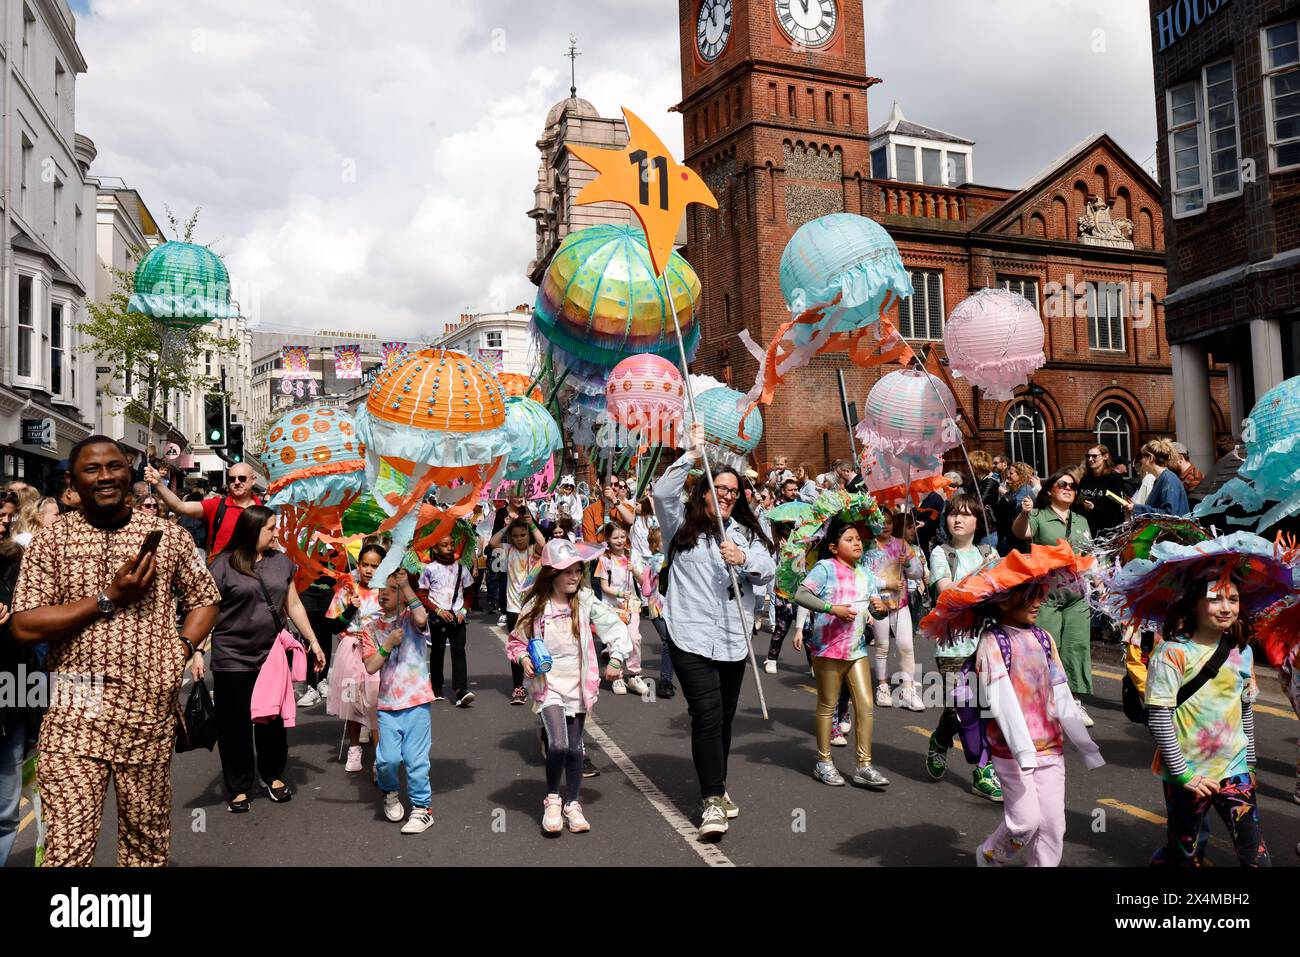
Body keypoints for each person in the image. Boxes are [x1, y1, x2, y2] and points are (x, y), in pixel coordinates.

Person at [9, 436, 220, 866]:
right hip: (74, 714)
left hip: (147, 714)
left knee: (145, 845)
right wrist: (107, 598)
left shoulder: (167, 537)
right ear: (72, 480)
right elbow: (24, 624)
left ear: (129, 474)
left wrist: (179, 649)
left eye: (115, 466)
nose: (105, 476)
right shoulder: (52, 542)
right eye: (93, 469)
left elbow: (205, 598)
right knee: (66, 851)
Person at [653, 422, 774, 840]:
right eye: (718, 488)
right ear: (703, 492)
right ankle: (710, 800)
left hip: (733, 639)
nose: (726, 495)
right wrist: (691, 453)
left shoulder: (746, 534)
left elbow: (768, 570)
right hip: (689, 636)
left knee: (722, 719)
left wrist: (743, 558)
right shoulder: (679, 529)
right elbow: (662, 492)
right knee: (704, 714)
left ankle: (719, 787)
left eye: (733, 491)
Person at [199, 505, 325, 813]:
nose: (276, 532)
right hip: (232, 656)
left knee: (272, 720)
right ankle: (239, 785)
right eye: (270, 528)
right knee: (235, 724)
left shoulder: (281, 563)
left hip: (272, 656)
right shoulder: (223, 565)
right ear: (253, 529)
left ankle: (273, 775)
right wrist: (199, 651)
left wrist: (313, 640)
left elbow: (292, 604)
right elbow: (208, 610)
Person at [974, 575, 1103, 866]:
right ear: (1004, 600)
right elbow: (1001, 699)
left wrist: (1086, 746)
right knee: (1024, 823)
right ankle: (990, 855)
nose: (1038, 601)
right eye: (1029, 595)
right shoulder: (992, 641)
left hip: (1051, 748)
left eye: (1039, 593)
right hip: (1012, 753)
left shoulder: (1044, 638)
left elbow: (1061, 692)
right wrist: (1023, 751)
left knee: (1054, 827)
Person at [507, 538, 629, 834]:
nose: (575, 576)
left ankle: (572, 803)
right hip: (548, 686)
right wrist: (523, 657)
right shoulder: (537, 605)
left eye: (578, 570)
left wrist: (617, 656)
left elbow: (613, 625)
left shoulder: (585, 600)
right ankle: (552, 800)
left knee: (575, 749)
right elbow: (516, 640)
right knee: (558, 744)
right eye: (568, 572)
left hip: (578, 684)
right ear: (552, 574)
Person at [1146, 575, 1267, 866]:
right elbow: (1159, 716)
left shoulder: (1242, 651)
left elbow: (1244, 710)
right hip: (1188, 775)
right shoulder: (1171, 653)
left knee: (1256, 855)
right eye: (1215, 599)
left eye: (1233, 599)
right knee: (1183, 854)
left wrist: (1249, 763)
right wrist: (1183, 775)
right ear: (1194, 605)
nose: (1226, 608)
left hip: (1234, 770)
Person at [792, 517, 890, 788]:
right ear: (834, 547)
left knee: (866, 706)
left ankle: (864, 766)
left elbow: (874, 612)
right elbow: (801, 595)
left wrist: (880, 609)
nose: (857, 542)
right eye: (850, 539)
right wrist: (831, 609)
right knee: (827, 705)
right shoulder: (825, 568)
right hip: (828, 649)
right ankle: (823, 762)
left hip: (856, 650)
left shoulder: (865, 574)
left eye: (858, 539)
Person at [924, 491, 1002, 801]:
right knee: (966, 708)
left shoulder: (989, 552)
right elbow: (949, 593)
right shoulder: (942, 553)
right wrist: (983, 570)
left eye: (967, 514)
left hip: (986, 642)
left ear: (977, 522)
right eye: (954, 513)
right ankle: (976, 766)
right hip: (952, 645)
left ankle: (959, 751)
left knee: (986, 707)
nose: (958, 518)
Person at [1011, 467, 1095, 724]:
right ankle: (1044, 700)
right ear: (1049, 492)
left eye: (1072, 485)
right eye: (1062, 484)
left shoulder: (1081, 520)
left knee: (1077, 647)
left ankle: (1073, 701)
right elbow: (1021, 533)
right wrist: (1025, 513)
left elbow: (1088, 555)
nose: (1068, 488)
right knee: (1046, 647)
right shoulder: (1038, 515)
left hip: (1077, 595)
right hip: (1046, 595)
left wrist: (1099, 583)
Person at [361, 569, 436, 834]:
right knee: (386, 760)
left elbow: (421, 616)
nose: (384, 593)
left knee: (416, 760)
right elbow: (371, 666)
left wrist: (407, 588)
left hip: (416, 700)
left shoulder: (411, 618)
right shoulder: (370, 626)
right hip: (388, 705)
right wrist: (388, 644)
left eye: (392, 589)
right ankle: (389, 793)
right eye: (382, 588)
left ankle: (422, 809)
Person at [326, 544, 386, 774]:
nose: (369, 570)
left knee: (375, 704)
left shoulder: (386, 592)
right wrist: (350, 608)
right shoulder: (346, 590)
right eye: (365, 565)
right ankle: (354, 747)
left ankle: (381, 757)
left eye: (375, 566)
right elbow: (333, 625)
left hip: (377, 654)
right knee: (351, 701)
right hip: (351, 652)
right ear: (358, 565)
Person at [864, 508, 926, 711]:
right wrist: (887, 584)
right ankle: (883, 687)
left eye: (888, 521)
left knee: (906, 646)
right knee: (882, 647)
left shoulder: (902, 545)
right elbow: (866, 578)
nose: (884, 525)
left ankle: (908, 690)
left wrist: (907, 563)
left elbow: (917, 573)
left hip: (901, 605)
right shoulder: (868, 548)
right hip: (878, 604)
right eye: (879, 521)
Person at [145, 461, 263, 558]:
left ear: (253, 480)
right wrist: (159, 484)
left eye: (242, 478)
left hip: (254, 573)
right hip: (222, 576)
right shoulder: (216, 505)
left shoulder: (263, 511)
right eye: (232, 479)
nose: (237, 482)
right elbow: (179, 506)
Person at [488, 515, 545, 704]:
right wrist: (506, 527)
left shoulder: (534, 551)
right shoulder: (507, 550)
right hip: (514, 608)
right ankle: (518, 687)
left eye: (523, 535)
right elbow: (492, 542)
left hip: (534, 606)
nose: (519, 538)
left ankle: (539, 681)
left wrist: (532, 525)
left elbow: (543, 543)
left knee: (537, 644)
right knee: (516, 648)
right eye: (516, 535)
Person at [418, 536, 476, 707]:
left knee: (459, 652)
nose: (450, 548)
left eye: (452, 544)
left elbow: (470, 592)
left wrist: (464, 610)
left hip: (457, 616)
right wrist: (437, 610)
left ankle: (461, 690)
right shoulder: (430, 569)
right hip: (438, 617)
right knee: (437, 652)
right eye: (444, 545)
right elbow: (422, 594)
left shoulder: (461, 568)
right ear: (435, 549)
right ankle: (436, 686)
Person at [594, 524, 650, 697]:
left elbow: (643, 582)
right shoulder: (604, 559)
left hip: (631, 606)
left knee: (634, 638)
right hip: (612, 607)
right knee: (614, 641)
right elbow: (603, 586)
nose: (619, 541)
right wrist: (619, 593)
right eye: (615, 537)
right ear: (608, 540)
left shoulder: (633, 555)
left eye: (622, 537)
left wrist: (635, 572)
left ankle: (634, 674)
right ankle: (617, 676)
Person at [639, 526, 675, 698]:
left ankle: (667, 679)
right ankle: (665, 681)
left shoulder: (662, 558)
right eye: (663, 541)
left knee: (672, 641)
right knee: (668, 641)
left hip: (667, 606)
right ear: (655, 545)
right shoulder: (658, 560)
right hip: (658, 606)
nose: (667, 543)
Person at [1128, 439, 1190, 518]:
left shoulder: (1168, 479)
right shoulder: (1163, 478)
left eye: (1143, 457)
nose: (1141, 460)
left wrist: (1137, 508)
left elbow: (1169, 514)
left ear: (1151, 458)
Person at [1078, 445, 1128, 539]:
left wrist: (1095, 508)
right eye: (1088, 456)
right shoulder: (1085, 479)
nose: (1090, 459)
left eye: (1094, 456)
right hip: (1086, 529)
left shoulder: (1113, 479)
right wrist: (1082, 502)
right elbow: (1079, 496)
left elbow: (1118, 508)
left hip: (1107, 532)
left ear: (1105, 457)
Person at [581, 475, 635, 545]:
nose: (613, 487)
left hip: (623, 553)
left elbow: (631, 520)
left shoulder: (625, 507)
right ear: (600, 487)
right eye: (609, 484)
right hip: (602, 553)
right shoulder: (590, 511)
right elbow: (590, 542)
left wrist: (614, 500)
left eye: (616, 484)